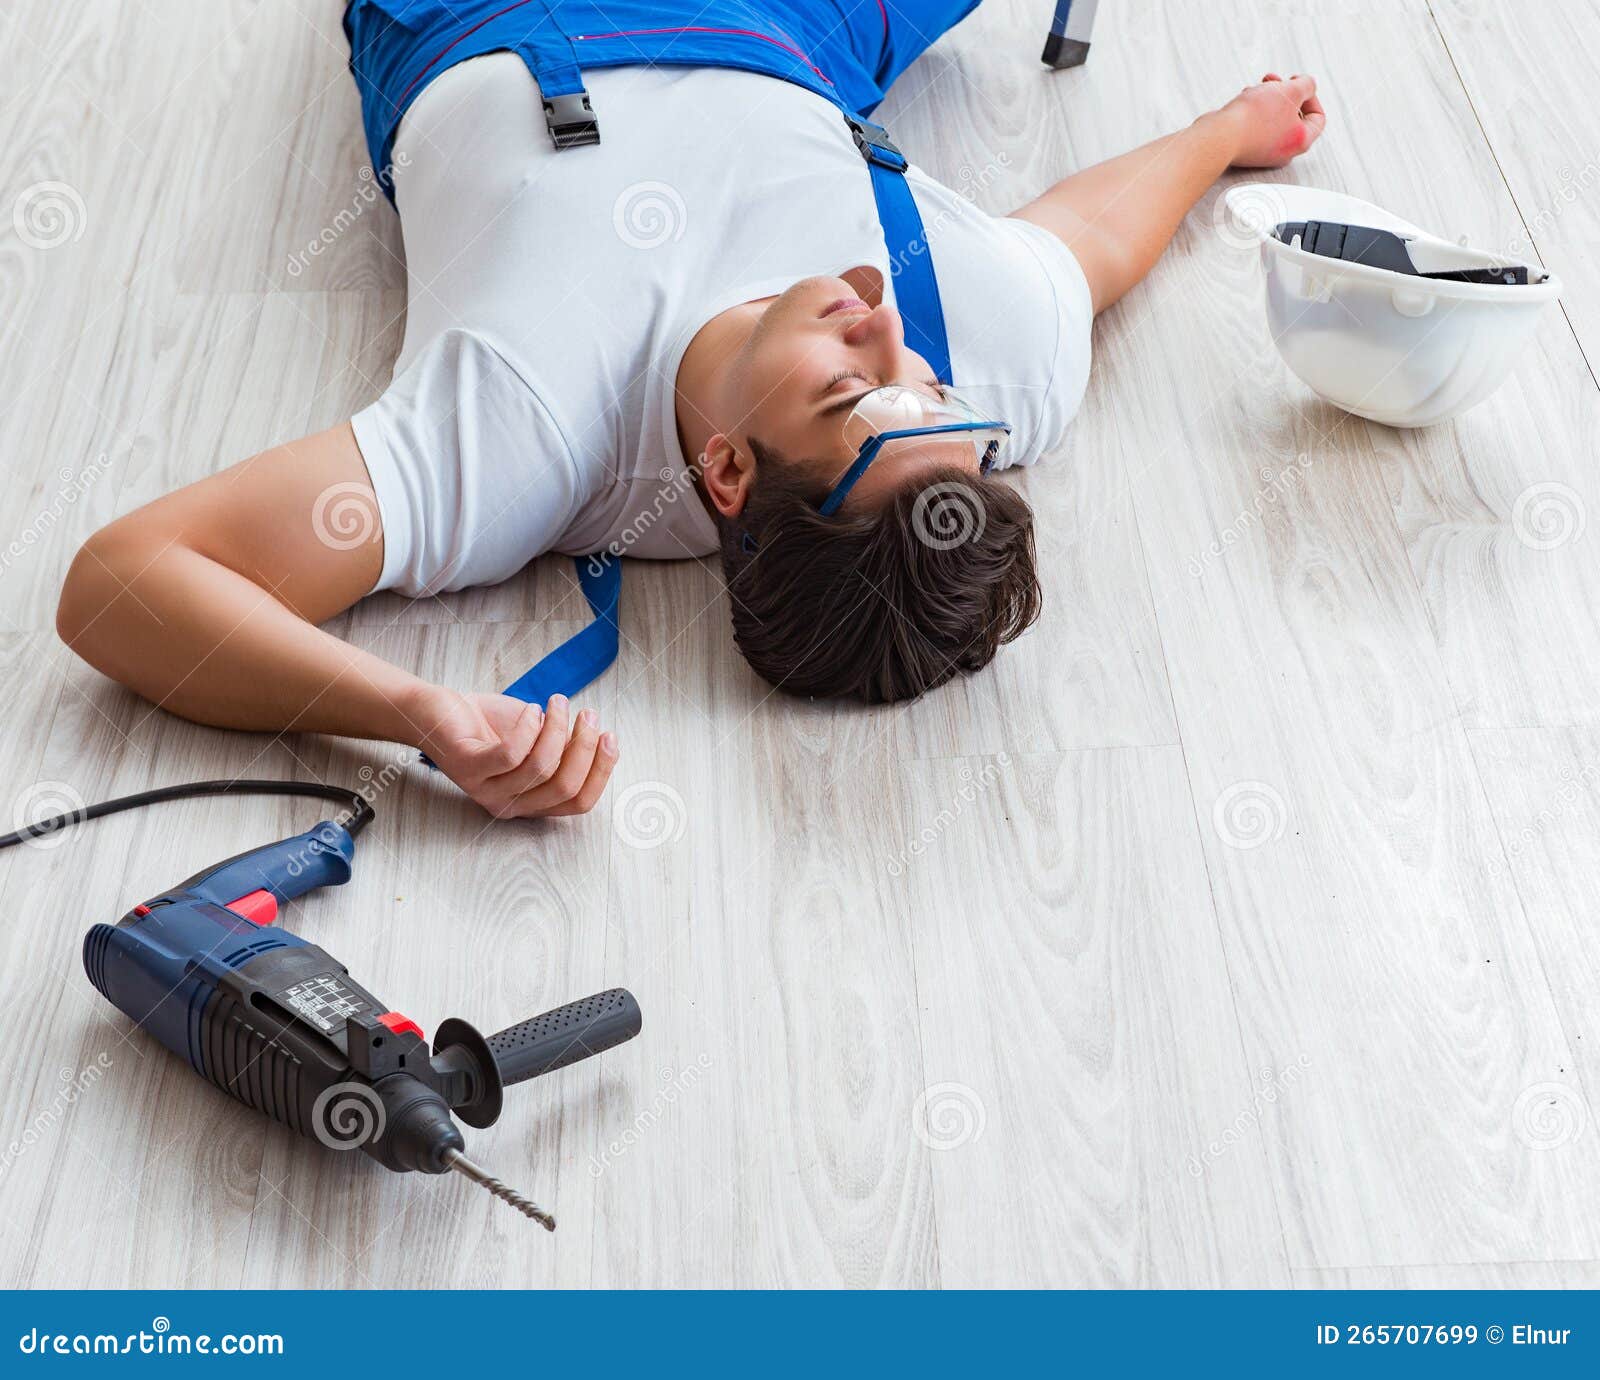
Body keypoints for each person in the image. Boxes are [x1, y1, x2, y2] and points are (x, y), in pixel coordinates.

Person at [56, 0, 1326, 823]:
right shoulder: (994, 380)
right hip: (789, 27)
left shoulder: (523, 432)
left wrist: (413, 713)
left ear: (725, 472)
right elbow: (1086, 245)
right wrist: (1224, 134)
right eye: (925, 384)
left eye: (848, 390)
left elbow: (119, 586)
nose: (885, 320)